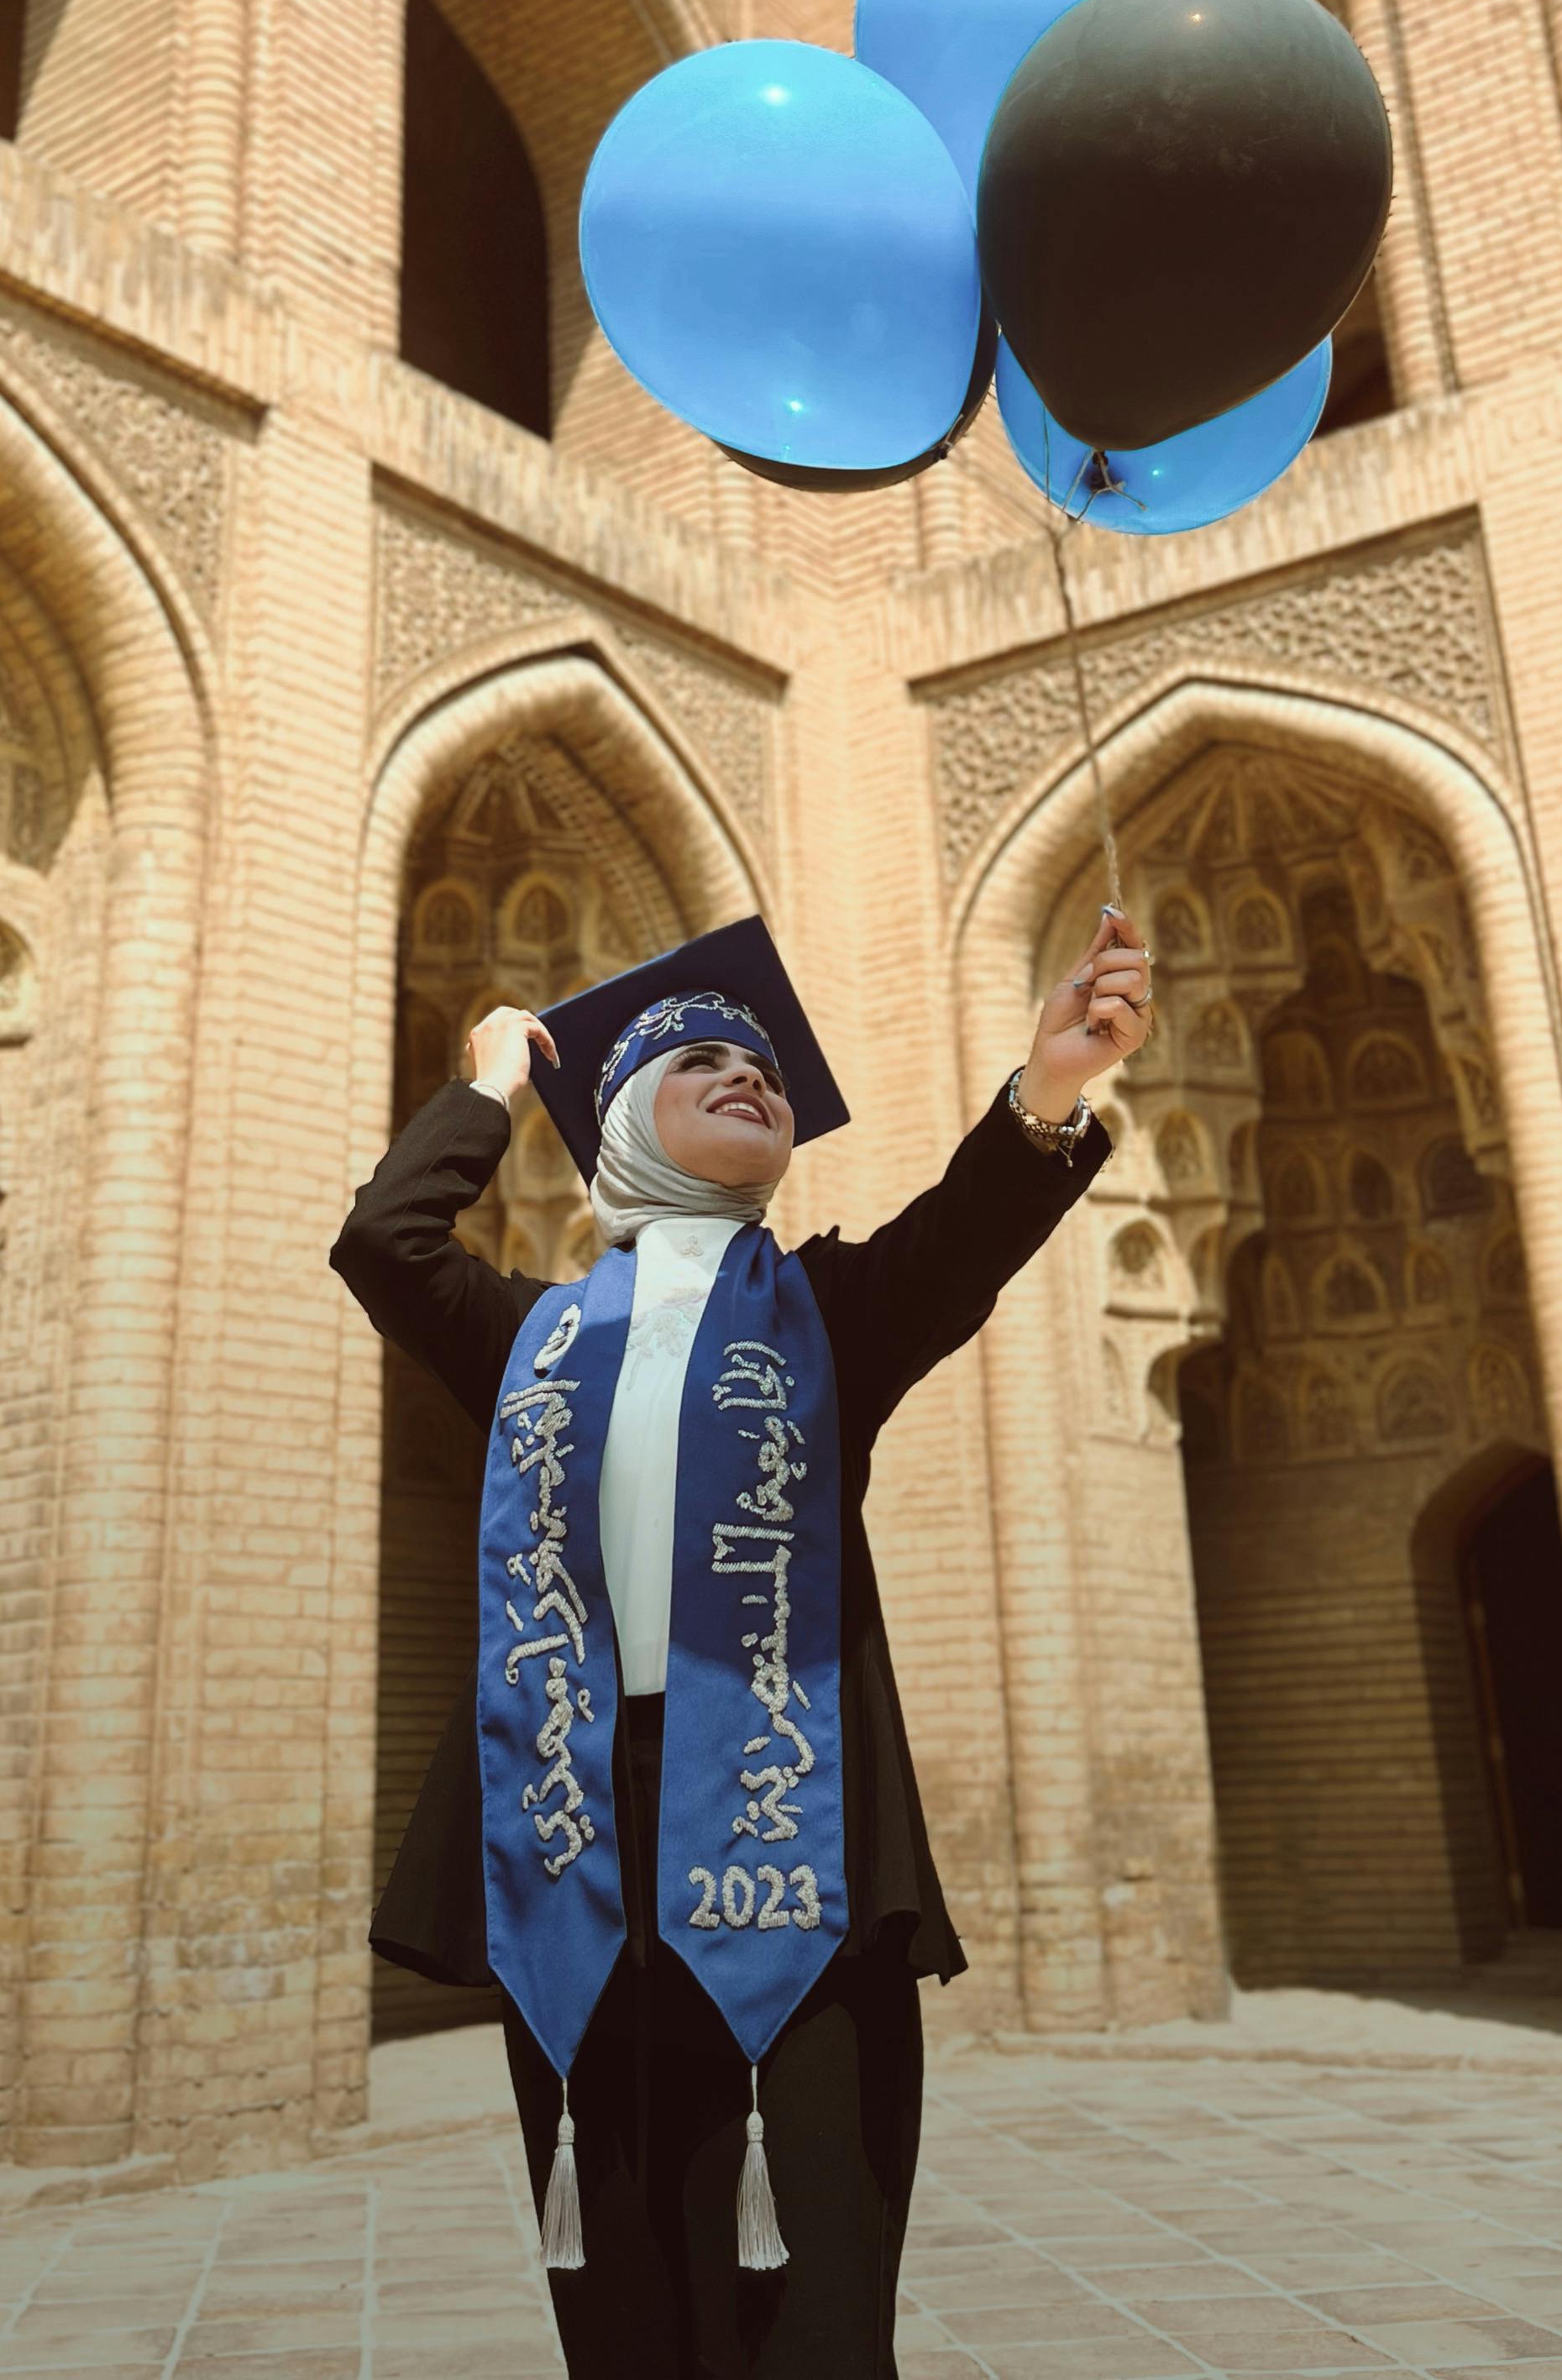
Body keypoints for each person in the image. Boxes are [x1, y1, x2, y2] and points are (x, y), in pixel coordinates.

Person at [331, 904, 1154, 2379]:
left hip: (799, 1830)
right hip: (576, 1837)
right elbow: (384, 1241)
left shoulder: (828, 1312)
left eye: (765, 1069)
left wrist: (1049, 1088)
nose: (747, 1074)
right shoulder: (529, 1334)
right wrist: (491, 1084)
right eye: (700, 1058)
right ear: (622, 1128)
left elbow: (963, 1239)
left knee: (813, 2311)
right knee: (625, 2303)